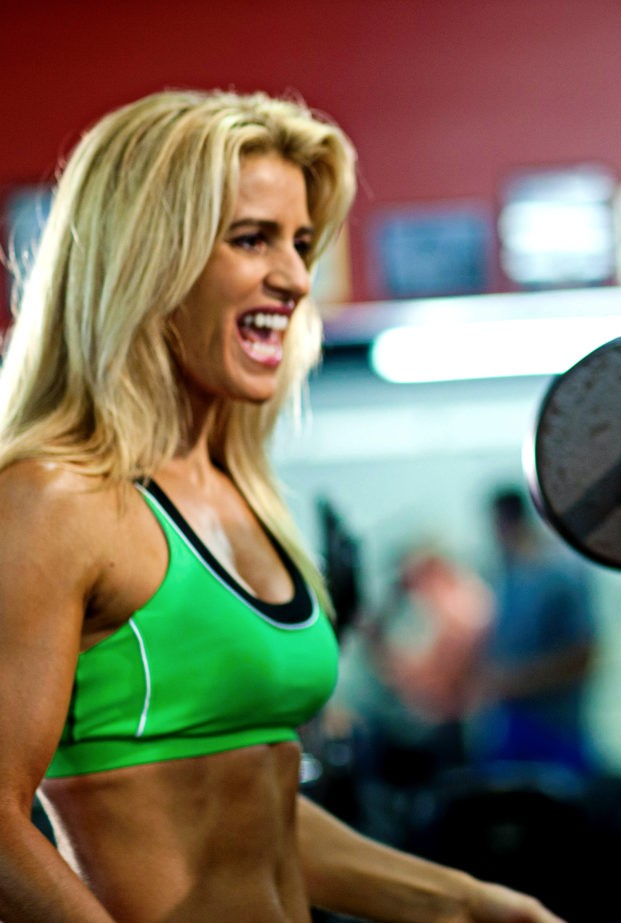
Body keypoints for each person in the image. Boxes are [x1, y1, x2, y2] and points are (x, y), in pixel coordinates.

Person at [0, 88, 564, 923]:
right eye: (252, 239)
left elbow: (250, 811)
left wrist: (468, 901)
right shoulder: (57, 497)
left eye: (300, 243)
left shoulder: (238, 491)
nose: (296, 278)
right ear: (148, 257)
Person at [465, 486, 598, 783]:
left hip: (555, 727)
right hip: (508, 725)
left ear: (506, 522)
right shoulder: (504, 574)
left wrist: (516, 682)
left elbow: (585, 654)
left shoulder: (560, 574)